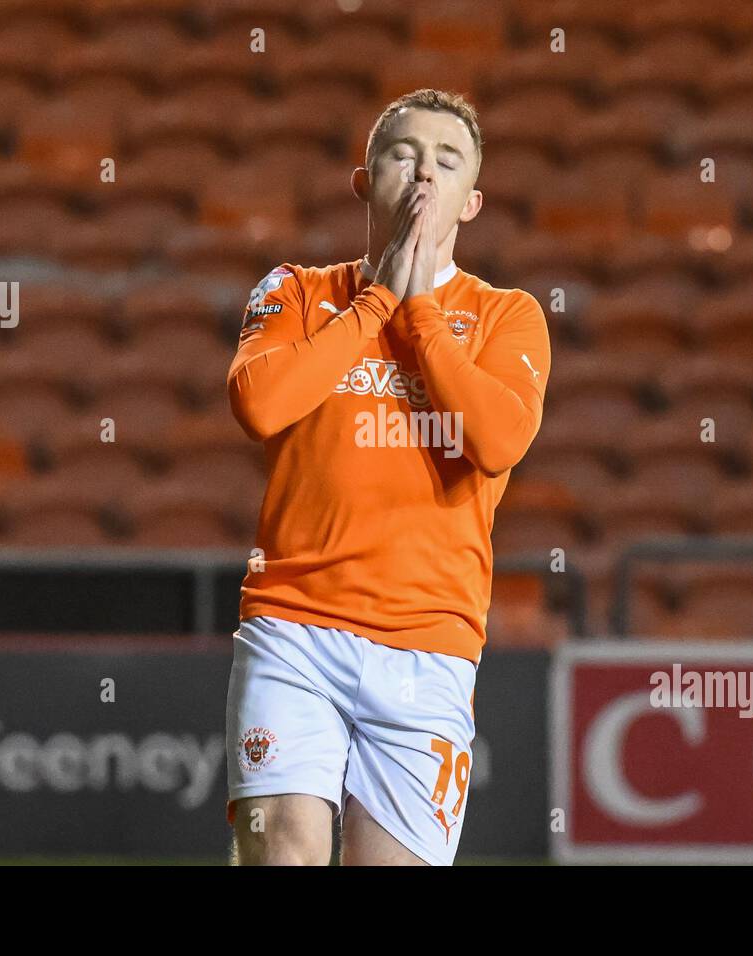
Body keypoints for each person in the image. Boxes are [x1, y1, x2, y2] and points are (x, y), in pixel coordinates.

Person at [225, 88, 551, 865]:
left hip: (429, 643)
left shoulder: (509, 315)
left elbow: (499, 439)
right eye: (404, 155)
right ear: (365, 181)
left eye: (447, 161)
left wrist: (419, 312)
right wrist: (377, 301)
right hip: (293, 625)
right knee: (284, 857)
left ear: (471, 203)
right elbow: (261, 405)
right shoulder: (298, 292)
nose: (424, 175)